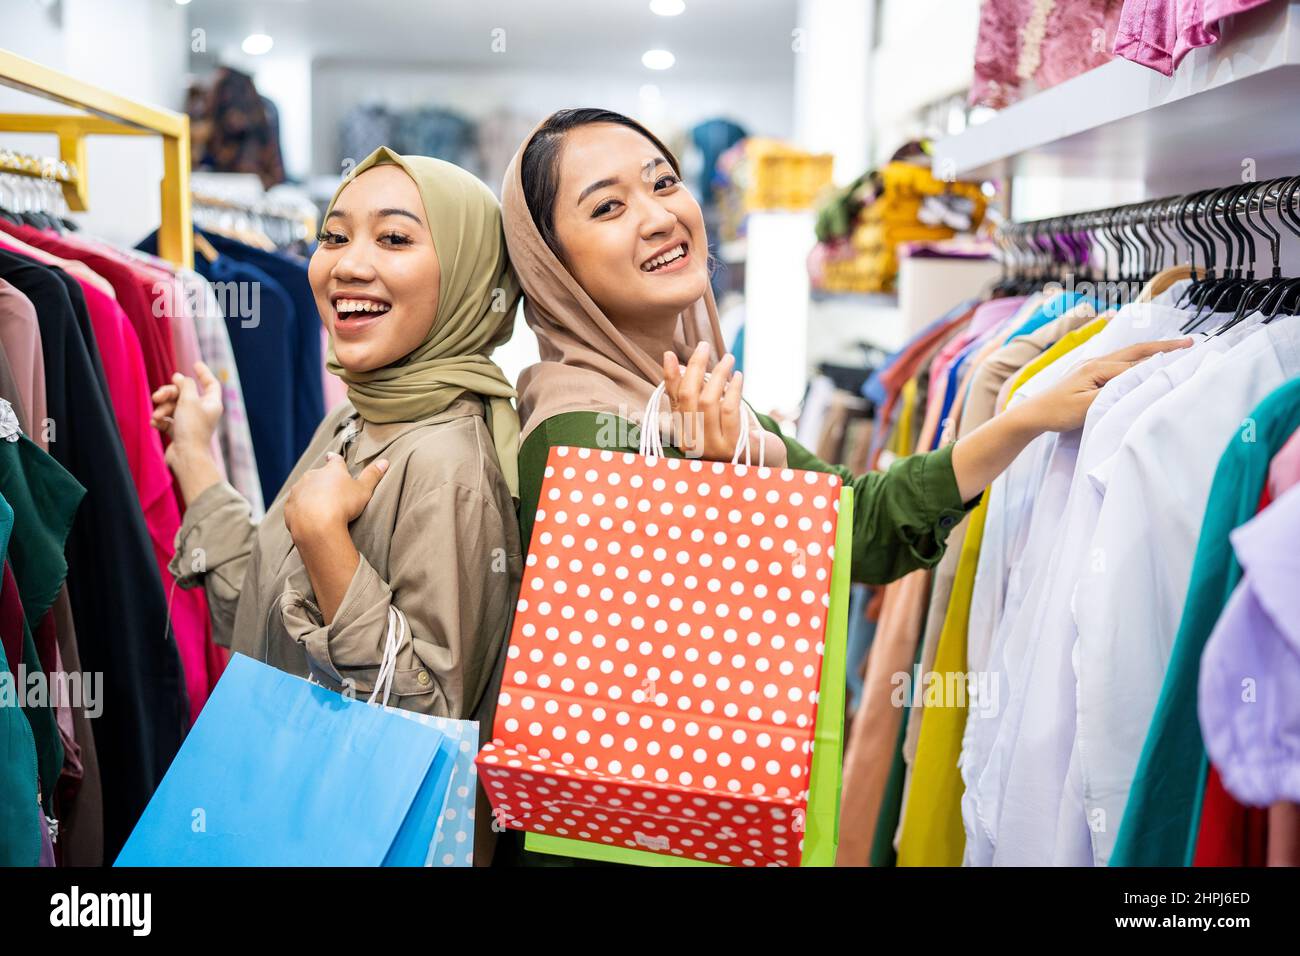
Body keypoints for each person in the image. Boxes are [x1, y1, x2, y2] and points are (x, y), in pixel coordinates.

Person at [501, 108, 1190, 575]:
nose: (658, 217)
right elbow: (648, 650)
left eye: (664, 183)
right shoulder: (582, 433)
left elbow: (859, 525)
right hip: (631, 794)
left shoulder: (699, 397)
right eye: (608, 207)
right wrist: (720, 485)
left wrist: (1026, 417)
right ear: (551, 264)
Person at [153, 146, 522, 727]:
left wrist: (327, 542)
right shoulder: (358, 418)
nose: (347, 265)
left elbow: (425, 724)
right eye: (334, 237)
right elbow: (260, 610)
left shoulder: (448, 463)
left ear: (468, 275)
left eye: (394, 239)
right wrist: (193, 453)